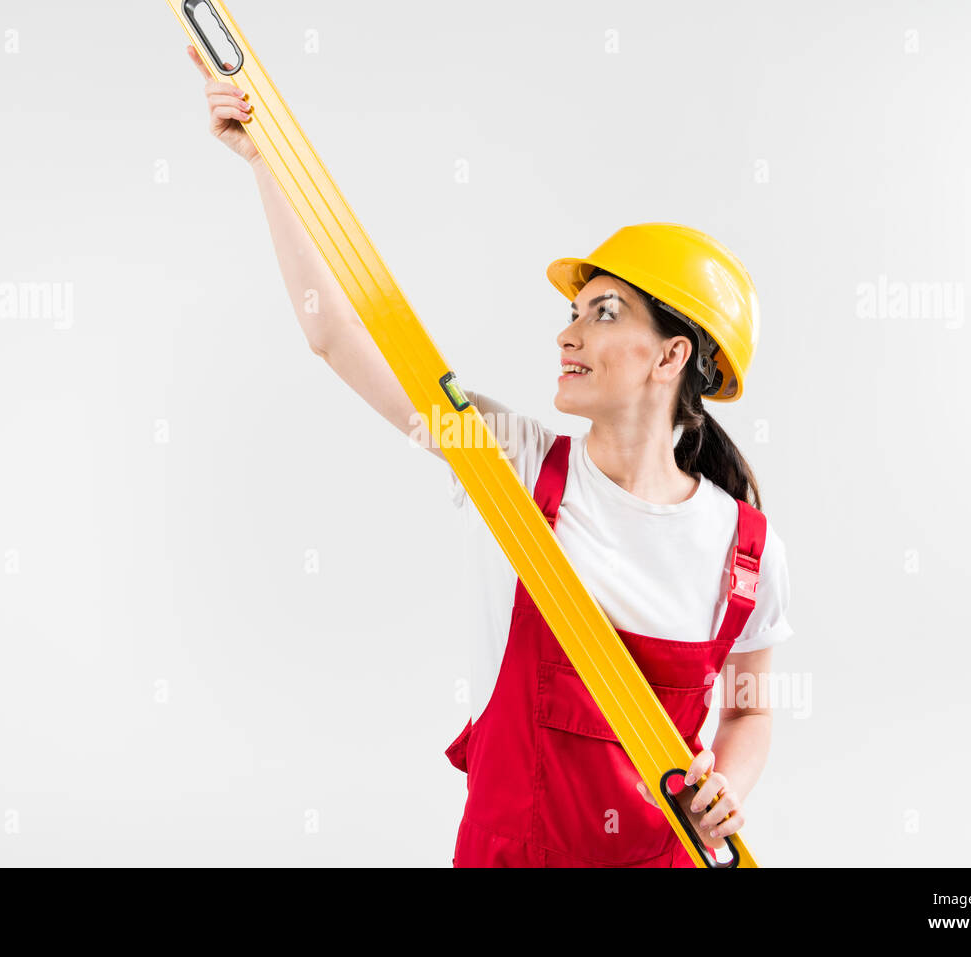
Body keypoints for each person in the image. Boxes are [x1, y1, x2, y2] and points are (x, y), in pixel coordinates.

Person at [186, 46, 793, 867]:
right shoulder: (505, 461)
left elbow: (751, 706)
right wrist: (267, 163)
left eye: (603, 312)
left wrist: (735, 784)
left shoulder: (745, 548)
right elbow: (335, 334)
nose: (567, 333)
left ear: (671, 355)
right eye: (572, 311)